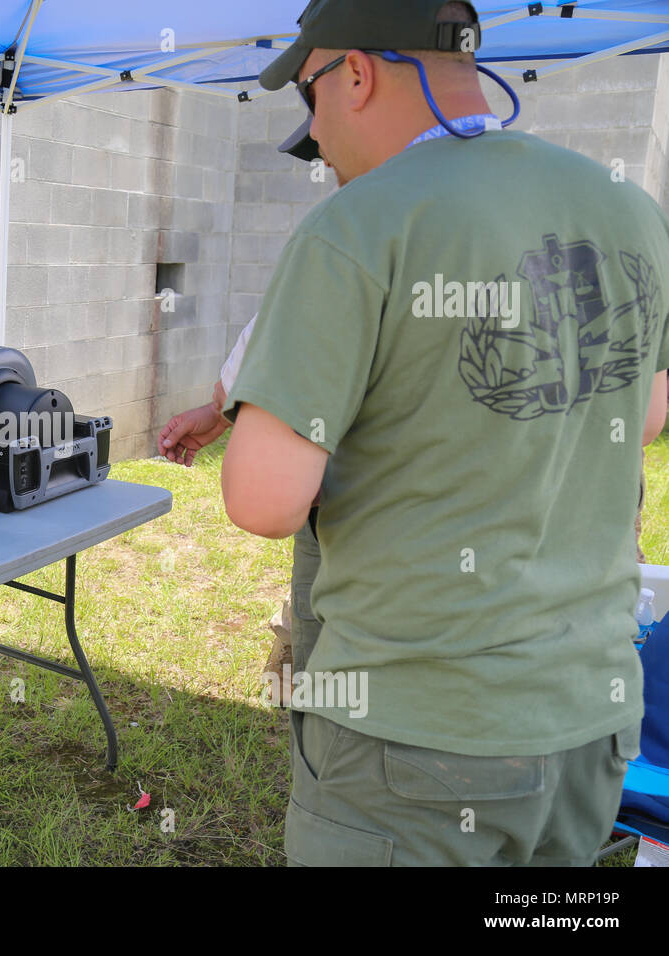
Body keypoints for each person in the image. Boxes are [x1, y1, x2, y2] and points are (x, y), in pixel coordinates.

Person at [221, 0, 669, 865]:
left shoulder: (357, 226)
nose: (314, 131)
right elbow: (647, 414)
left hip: (417, 733)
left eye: (308, 97)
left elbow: (263, 500)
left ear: (354, 73)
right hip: (592, 717)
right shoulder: (630, 209)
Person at [160, 122, 347, 699]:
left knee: (333, 711)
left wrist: (247, 433)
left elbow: (262, 506)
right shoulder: (567, 201)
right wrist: (218, 414)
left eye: (331, 145)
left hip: (370, 548)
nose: (330, 164)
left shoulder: (348, 238)